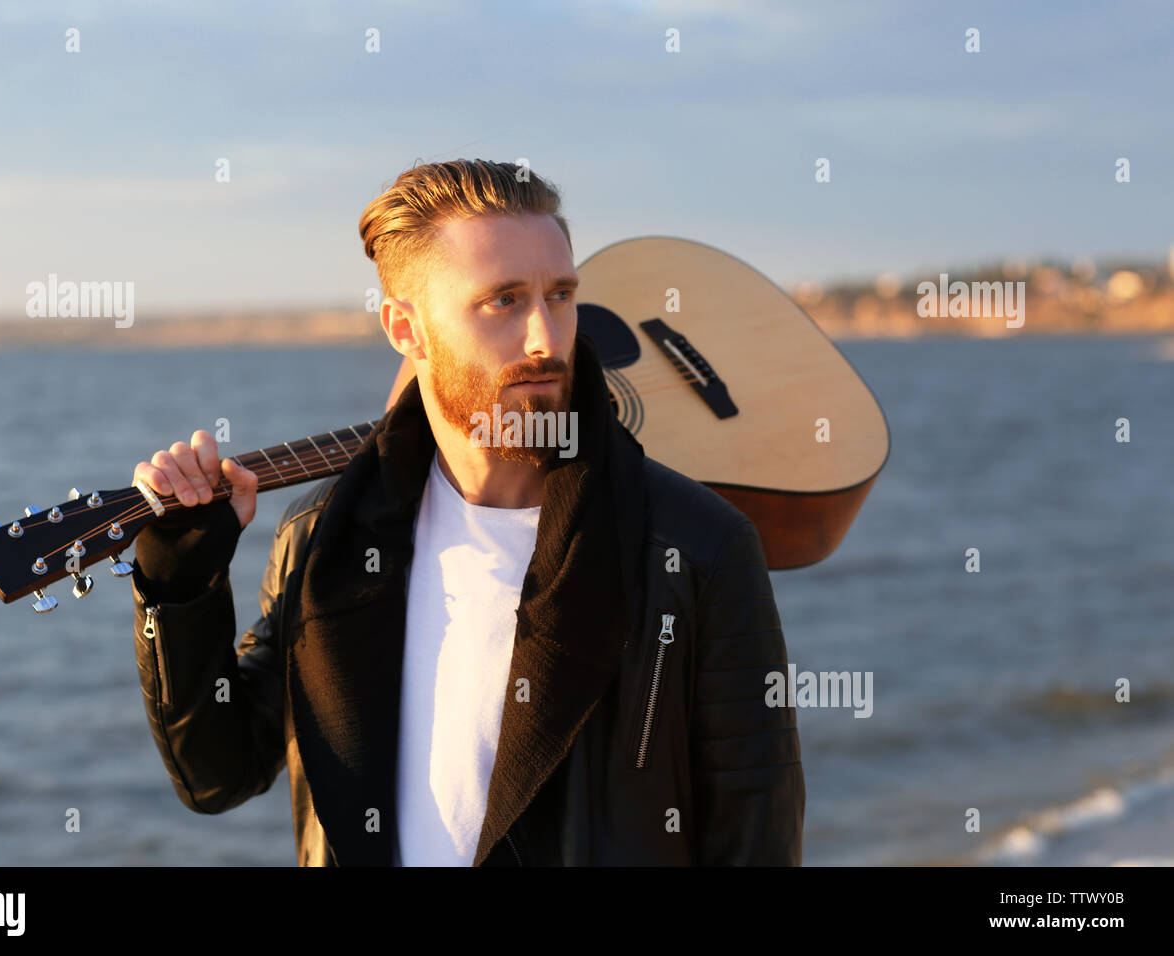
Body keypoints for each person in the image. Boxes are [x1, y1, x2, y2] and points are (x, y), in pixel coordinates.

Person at [129, 159, 804, 866]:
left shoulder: (695, 549)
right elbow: (218, 774)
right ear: (405, 329)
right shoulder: (324, 537)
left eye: (562, 295)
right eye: (504, 300)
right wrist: (181, 582)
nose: (548, 338)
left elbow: (756, 833)